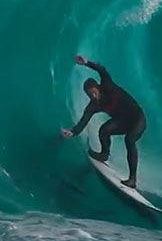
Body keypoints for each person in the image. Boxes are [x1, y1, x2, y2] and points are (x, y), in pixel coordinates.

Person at [61, 54, 147, 188]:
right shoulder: (94, 105)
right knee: (104, 130)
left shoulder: (107, 86)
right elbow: (84, 121)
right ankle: (104, 154)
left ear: (97, 88)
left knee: (129, 140)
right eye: (89, 95)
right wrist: (72, 132)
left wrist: (86, 63)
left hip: (137, 118)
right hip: (123, 121)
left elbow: (102, 70)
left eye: (93, 92)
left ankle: (132, 179)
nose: (93, 96)